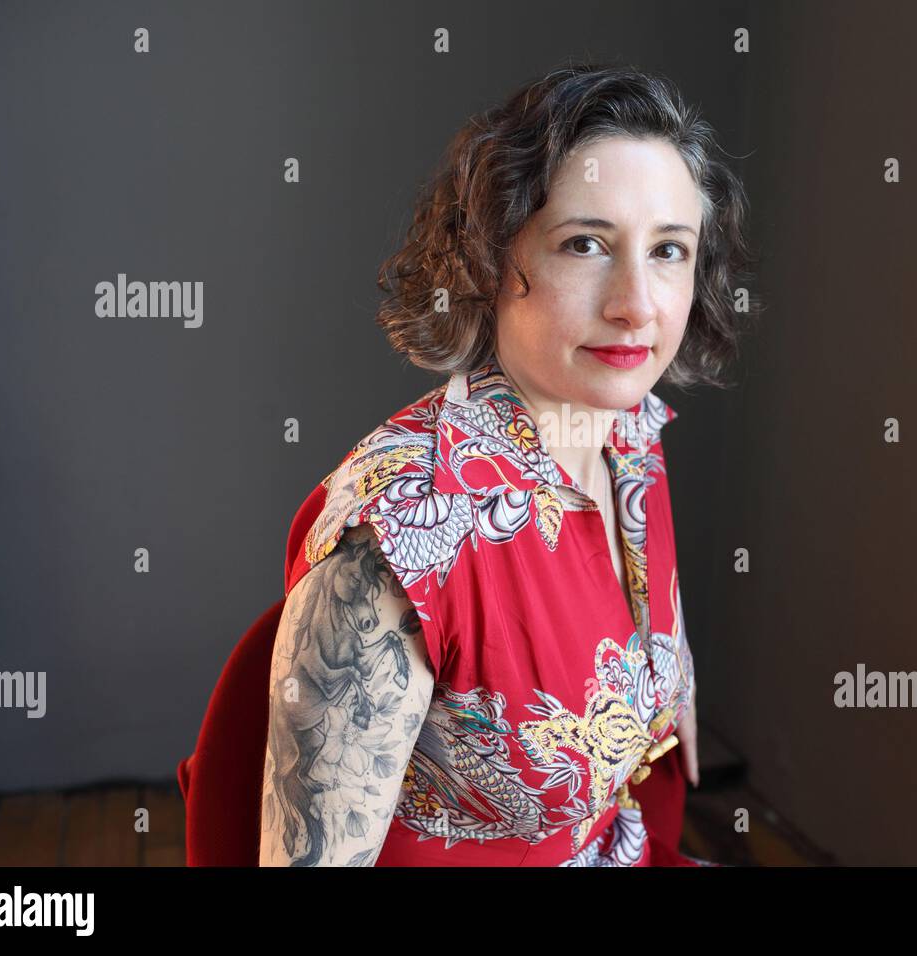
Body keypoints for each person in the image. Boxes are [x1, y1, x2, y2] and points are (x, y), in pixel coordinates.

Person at [258, 61, 758, 866]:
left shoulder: (627, 429)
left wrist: (670, 683)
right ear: (486, 262)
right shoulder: (395, 545)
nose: (638, 304)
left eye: (669, 250)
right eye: (585, 243)